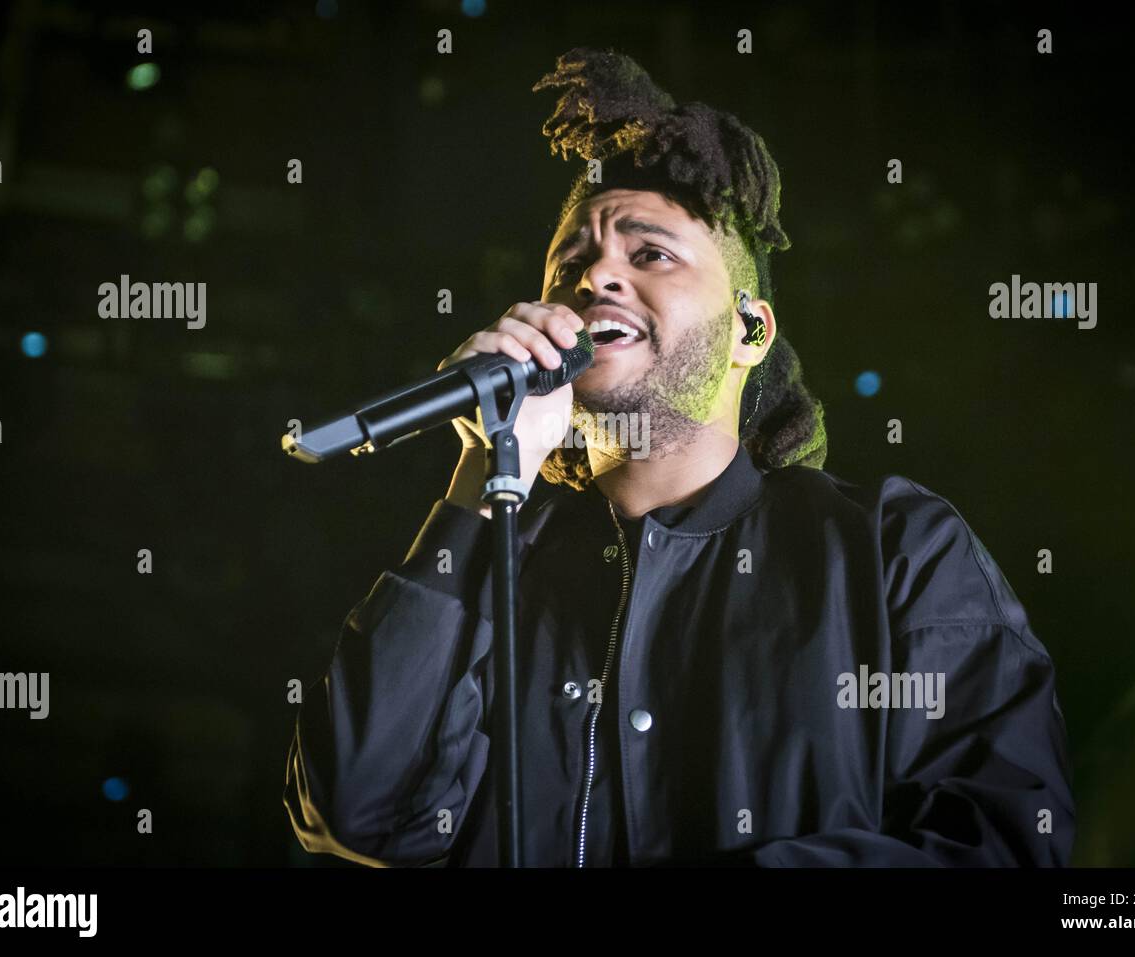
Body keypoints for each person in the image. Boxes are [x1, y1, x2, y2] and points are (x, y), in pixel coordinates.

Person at [283, 46, 1075, 867]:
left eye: (649, 253)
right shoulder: (498, 563)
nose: (597, 278)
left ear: (751, 329)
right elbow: (358, 813)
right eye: (571, 265)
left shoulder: (893, 549)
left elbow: (1004, 842)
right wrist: (484, 470)